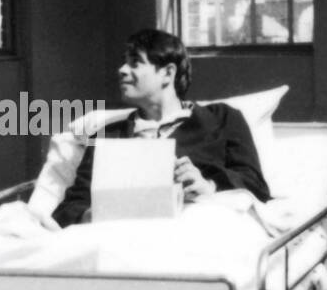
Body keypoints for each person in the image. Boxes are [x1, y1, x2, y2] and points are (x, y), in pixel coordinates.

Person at [51, 29, 268, 227]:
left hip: (200, 230)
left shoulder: (222, 119)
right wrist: (91, 216)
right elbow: (71, 207)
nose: (121, 70)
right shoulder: (108, 136)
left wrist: (207, 185)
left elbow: (256, 186)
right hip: (117, 238)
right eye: (124, 62)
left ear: (167, 73)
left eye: (135, 62)